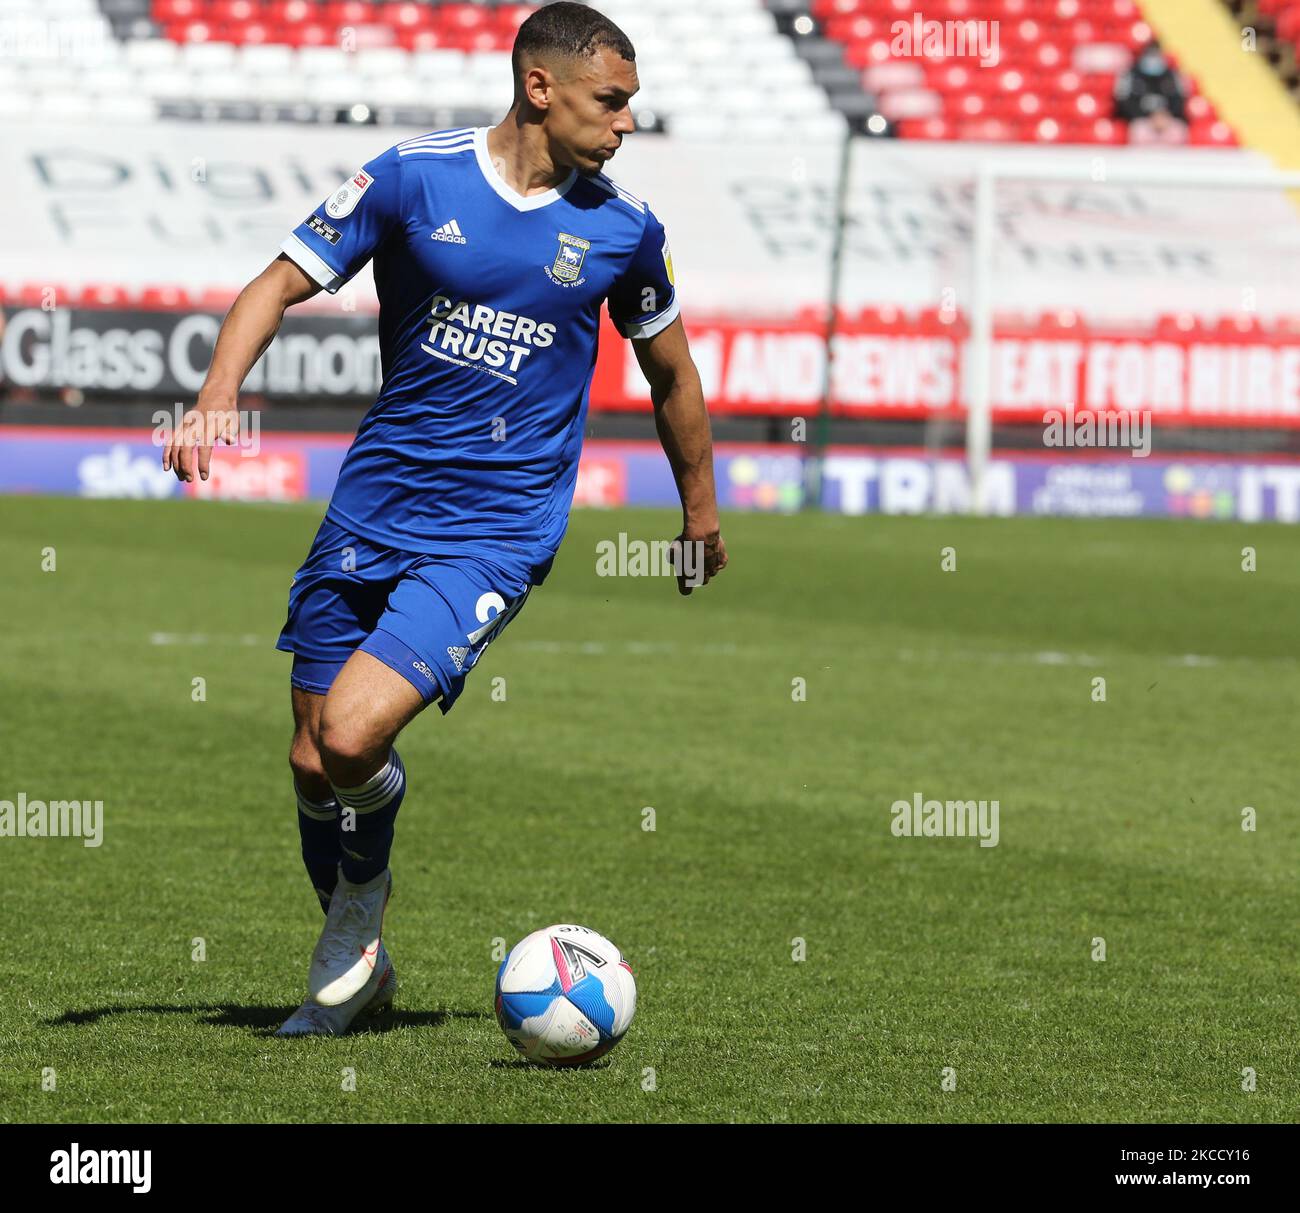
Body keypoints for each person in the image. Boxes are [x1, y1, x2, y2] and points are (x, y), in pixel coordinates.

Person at [162, 2, 727, 1036]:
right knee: (308, 756)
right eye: (613, 100)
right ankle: (362, 957)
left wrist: (699, 509)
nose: (627, 122)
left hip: (494, 530)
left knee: (348, 733)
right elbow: (274, 284)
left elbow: (671, 372)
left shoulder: (623, 229)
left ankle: (356, 918)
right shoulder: (412, 178)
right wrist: (214, 395)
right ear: (540, 87)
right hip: (370, 507)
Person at [1113, 39, 1189, 145]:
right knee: (1138, 130)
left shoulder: (1172, 76)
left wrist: (1166, 116)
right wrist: (1148, 117)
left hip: (1167, 122)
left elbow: (1180, 100)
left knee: (1178, 131)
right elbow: (1124, 101)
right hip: (1141, 121)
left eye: (1155, 54)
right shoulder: (1131, 75)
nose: (1153, 59)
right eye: (1150, 54)